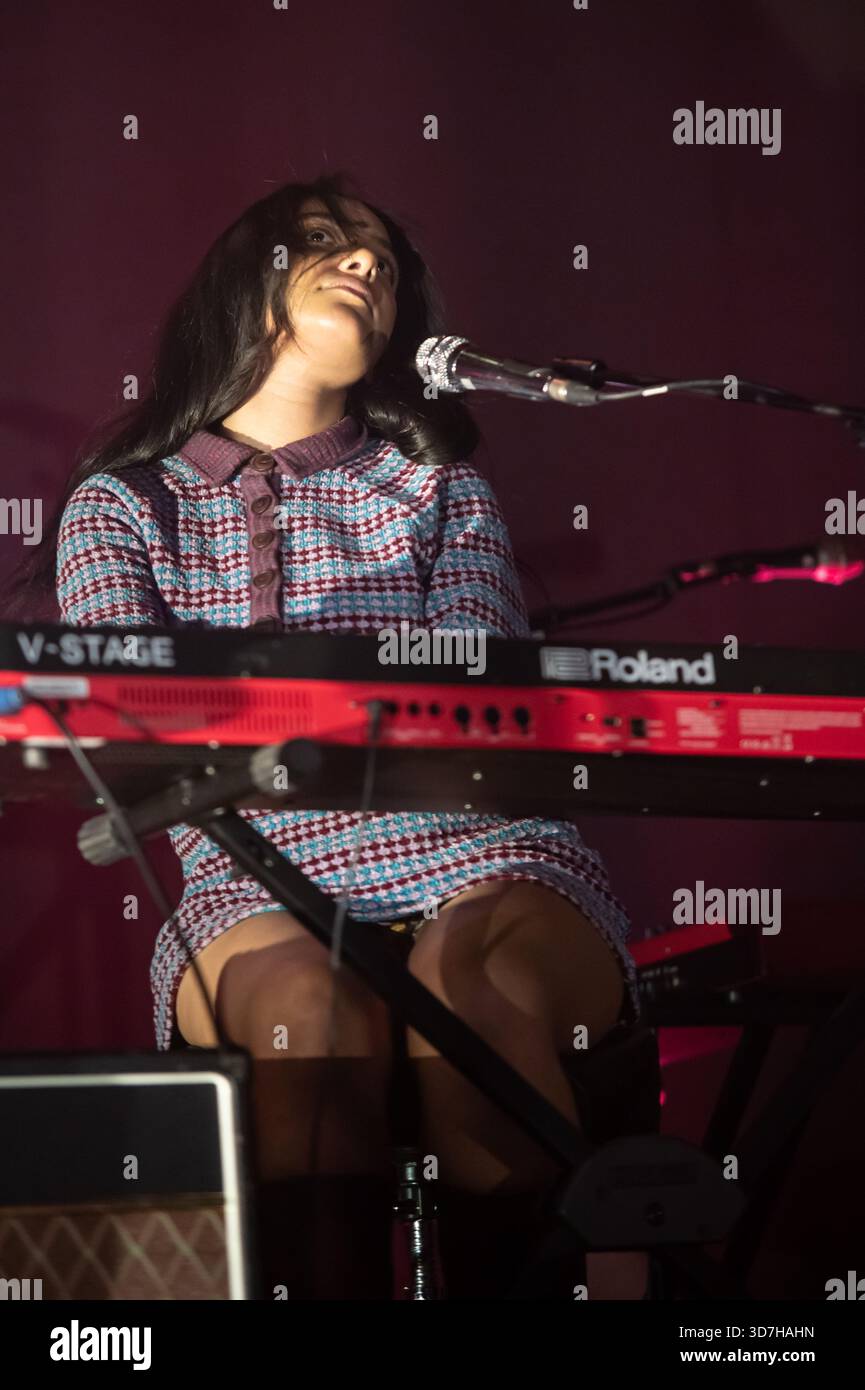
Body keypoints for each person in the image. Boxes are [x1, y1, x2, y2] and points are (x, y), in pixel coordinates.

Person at [40, 172, 646, 1299]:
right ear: (245, 289)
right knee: (304, 1021)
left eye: (382, 259)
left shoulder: (436, 480)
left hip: (474, 850)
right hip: (252, 871)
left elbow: (480, 709)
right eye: (325, 244)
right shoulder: (124, 505)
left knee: (471, 994)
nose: (369, 265)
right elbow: (129, 721)